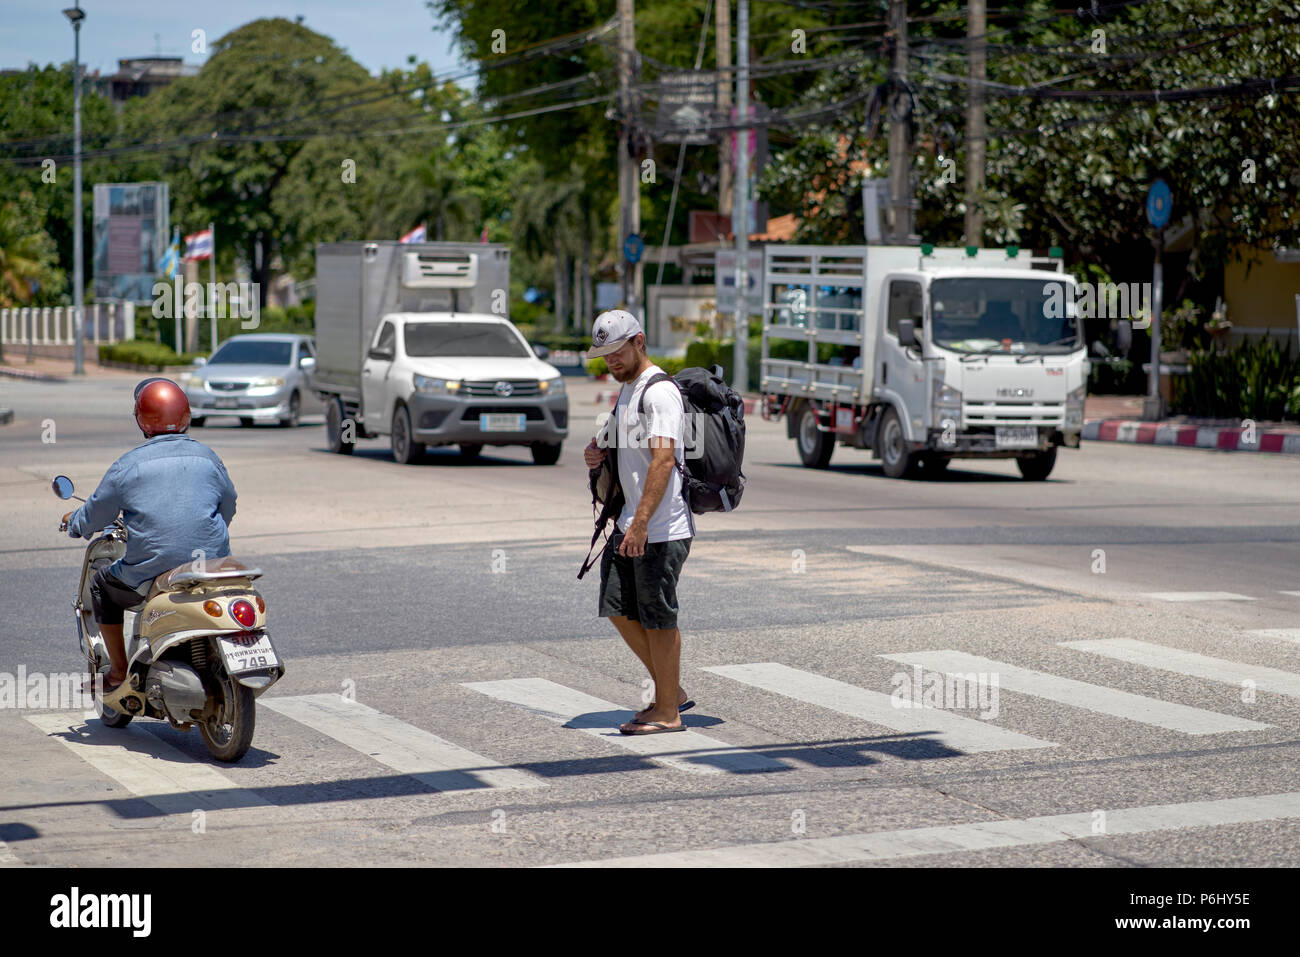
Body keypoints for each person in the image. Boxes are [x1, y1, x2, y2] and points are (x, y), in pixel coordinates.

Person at [61, 378, 237, 706]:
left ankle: (117, 673)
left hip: (154, 570)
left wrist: (74, 523)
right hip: (213, 564)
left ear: (142, 420)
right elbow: (228, 505)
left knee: (101, 586)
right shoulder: (209, 457)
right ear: (185, 414)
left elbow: (95, 515)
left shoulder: (128, 466)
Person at [584, 310, 695, 735]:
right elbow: (622, 449)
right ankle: (672, 691)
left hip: (659, 527)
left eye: (617, 350)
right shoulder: (628, 391)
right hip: (630, 521)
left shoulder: (659, 392)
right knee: (616, 606)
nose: (611, 360)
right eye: (604, 354)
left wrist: (642, 522)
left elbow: (664, 460)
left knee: (657, 617)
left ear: (639, 341)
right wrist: (597, 453)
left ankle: (668, 711)